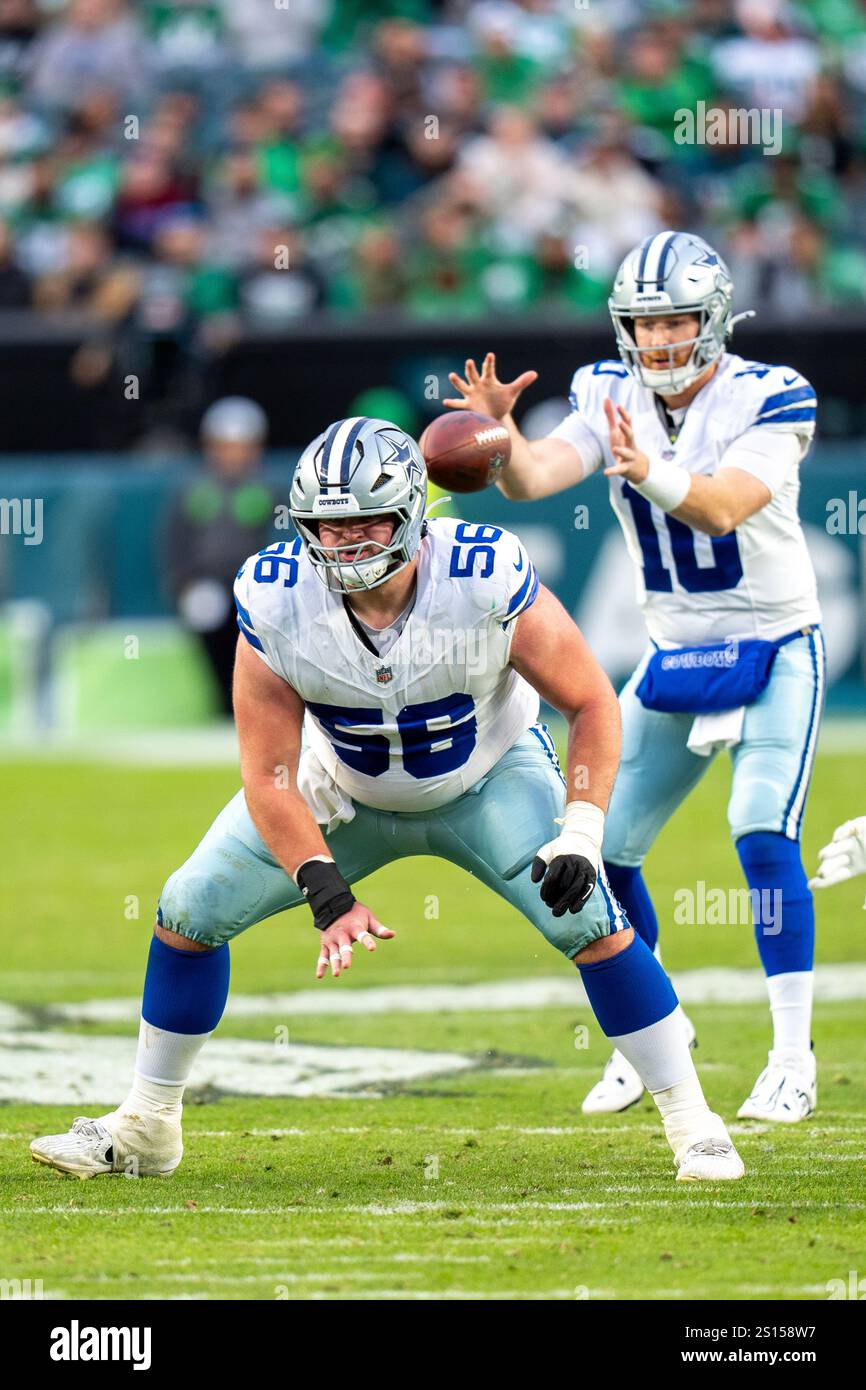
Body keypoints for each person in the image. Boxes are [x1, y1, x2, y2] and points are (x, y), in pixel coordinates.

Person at [30, 416, 743, 1183]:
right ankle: (147, 1125)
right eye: (327, 527)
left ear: (412, 513)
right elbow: (269, 773)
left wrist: (581, 828)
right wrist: (326, 892)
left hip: (488, 779)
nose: (345, 544)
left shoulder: (482, 571)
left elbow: (592, 702)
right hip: (344, 789)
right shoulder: (275, 596)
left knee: (591, 919)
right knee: (189, 908)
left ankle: (694, 1123)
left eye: (365, 521)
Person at [444, 230, 823, 1124]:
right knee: (597, 849)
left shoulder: (771, 395)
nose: (657, 341)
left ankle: (794, 1055)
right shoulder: (608, 390)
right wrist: (497, 439)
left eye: (675, 320)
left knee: (760, 830)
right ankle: (653, 1034)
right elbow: (534, 479)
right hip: (673, 653)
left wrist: (650, 467)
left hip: (773, 643)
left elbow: (725, 507)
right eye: (643, 324)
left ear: (715, 318)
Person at [165, 396, 275, 715]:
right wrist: (184, 583)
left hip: (255, 587)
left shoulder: (268, 490)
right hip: (207, 585)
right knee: (206, 609)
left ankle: (252, 704)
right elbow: (175, 543)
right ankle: (223, 701)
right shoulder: (192, 490)